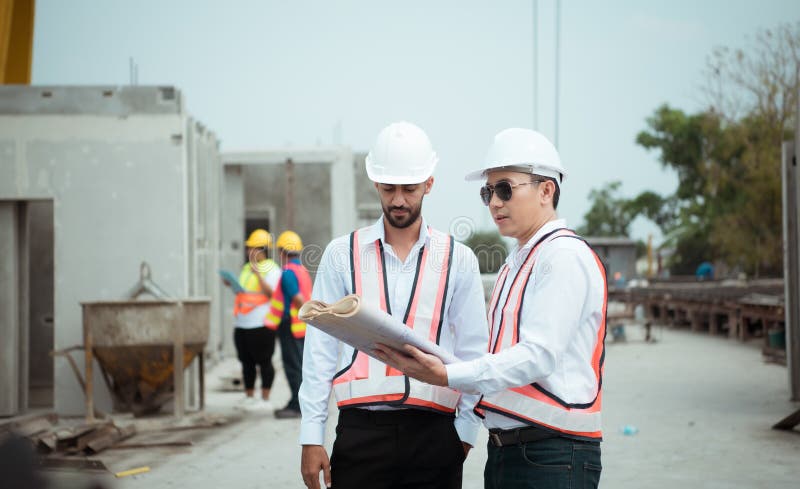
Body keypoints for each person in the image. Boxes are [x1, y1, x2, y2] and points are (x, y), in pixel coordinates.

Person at [374, 128, 607, 489]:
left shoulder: (563, 256)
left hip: (553, 454)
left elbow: (538, 355)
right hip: (511, 450)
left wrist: (445, 376)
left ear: (547, 190)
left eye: (505, 189)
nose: (494, 202)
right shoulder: (518, 261)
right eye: (488, 192)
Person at [299, 121, 489, 489]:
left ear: (429, 184)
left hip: (435, 434)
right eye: (388, 188)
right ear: (375, 184)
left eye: (409, 188)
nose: (398, 199)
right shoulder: (342, 254)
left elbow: (473, 350)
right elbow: (319, 351)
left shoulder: (458, 259)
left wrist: (464, 432)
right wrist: (311, 435)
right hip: (360, 434)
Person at [224, 229, 282, 412]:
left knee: (264, 361)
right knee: (246, 361)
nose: (249, 252)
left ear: (262, 249)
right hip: (242, 323)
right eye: (248, 248)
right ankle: (249, 396)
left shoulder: (272, 269)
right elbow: (244, 292)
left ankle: (265, 398)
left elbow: (271, 294)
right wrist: (232, 285)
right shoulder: (246, 268)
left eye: (252, 248)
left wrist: (258, 274)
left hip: (261, 323)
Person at [266, 230, 313, 419]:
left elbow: (298, 299)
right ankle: (297, 402)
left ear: (282, 252)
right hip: (300, 325)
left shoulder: (287, 273)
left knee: (293, 366)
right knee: (299, 364)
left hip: (291, 325)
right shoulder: (302, 270)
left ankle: (297, 405)